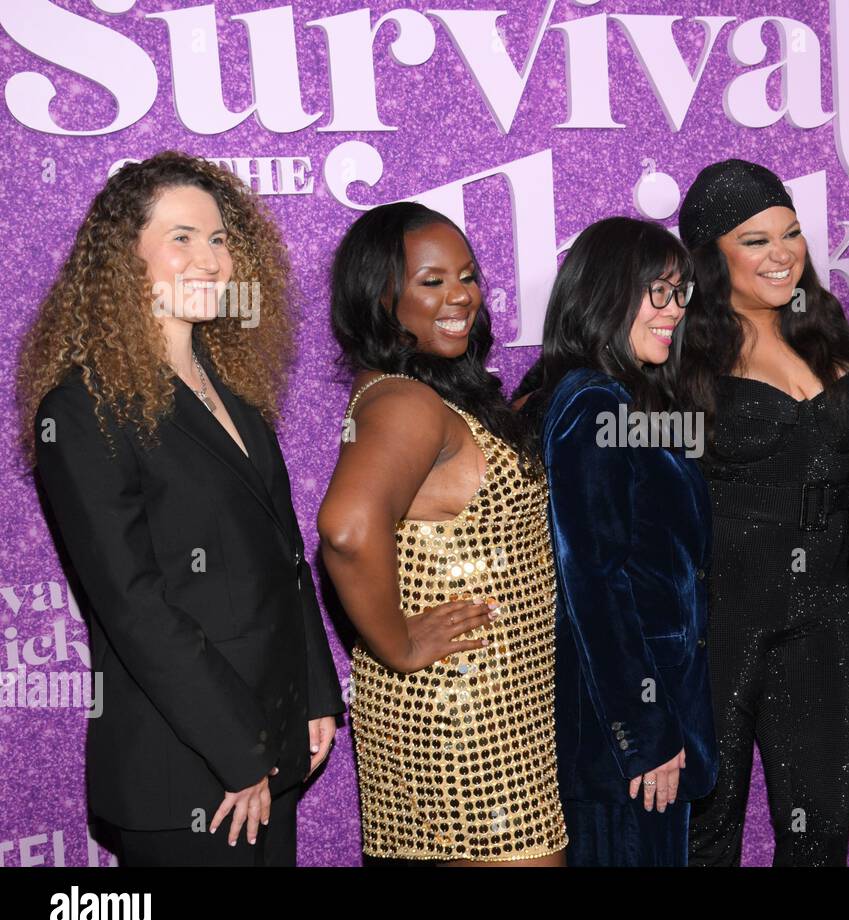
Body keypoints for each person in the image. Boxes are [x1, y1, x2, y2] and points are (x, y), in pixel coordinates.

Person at [19, 151, 344, 866]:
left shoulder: (233, 395)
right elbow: (133, 604)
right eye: (182, 238)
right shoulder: (82, 408)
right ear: (123, 257)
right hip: (186, 767)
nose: (210, 259)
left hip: (273, 746)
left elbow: (285, 561)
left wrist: (316, 695)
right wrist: (239, 751)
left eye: (220, 239)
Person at [318, 202, 567, 866]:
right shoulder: (406, 404)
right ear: (381, 297)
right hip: (468, 720)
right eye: (432, 282)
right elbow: (345, 529)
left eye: (468, 275)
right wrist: (396, 643)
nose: (460, 296)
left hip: (483, 708)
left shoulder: (409, 393)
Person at [676, 159, 849, 866]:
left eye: (791, 233)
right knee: (707, 831)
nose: (783, 254)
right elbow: (574, 408)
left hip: (826, 619)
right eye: (755, 240)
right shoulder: (680, 353)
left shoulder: (825, 330)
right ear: (712, 256)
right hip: (723, 622)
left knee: (819, 832)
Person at [515, 216, 717, 866]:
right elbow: (592, 579)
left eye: (680, 292)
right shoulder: (595, 406)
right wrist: (644, 732)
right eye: (656, 291)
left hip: (637, 723)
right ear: (604, 293)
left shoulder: (613, 401)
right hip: (622, 742)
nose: (674, 309)